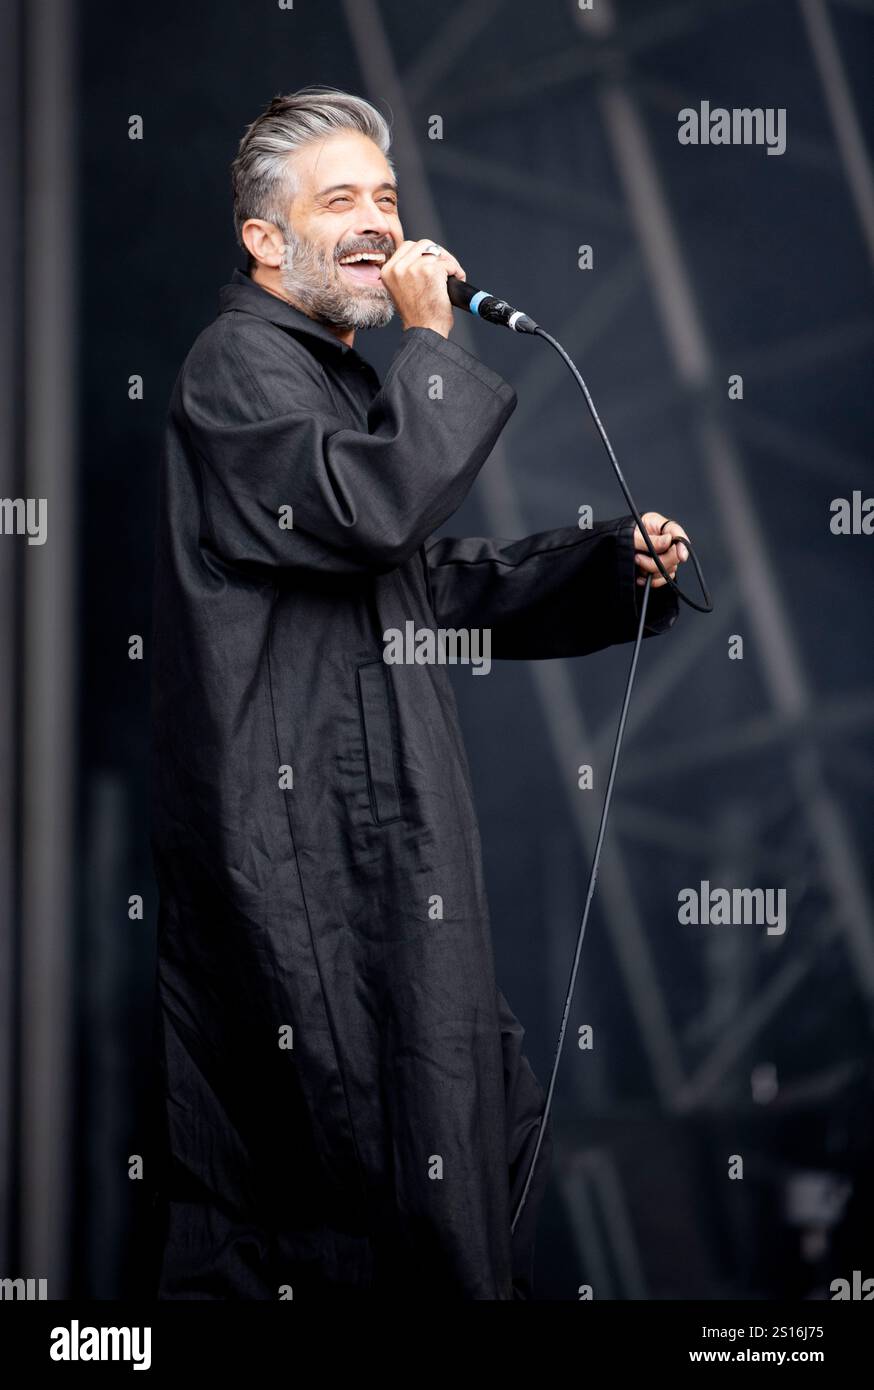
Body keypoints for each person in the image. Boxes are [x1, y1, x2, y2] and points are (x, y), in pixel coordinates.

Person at [148, 85, 690, 1301]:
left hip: (384, 850)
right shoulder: (235, 366)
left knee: (475, 1130)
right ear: (263, 239)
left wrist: (611, 568)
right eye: (339, 199)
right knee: (370, 1189)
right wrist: (435, 347)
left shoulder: (331, 381)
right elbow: (371, 509)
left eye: (387, 197)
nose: (377, 221)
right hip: (312, 874)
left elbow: (416, 592)